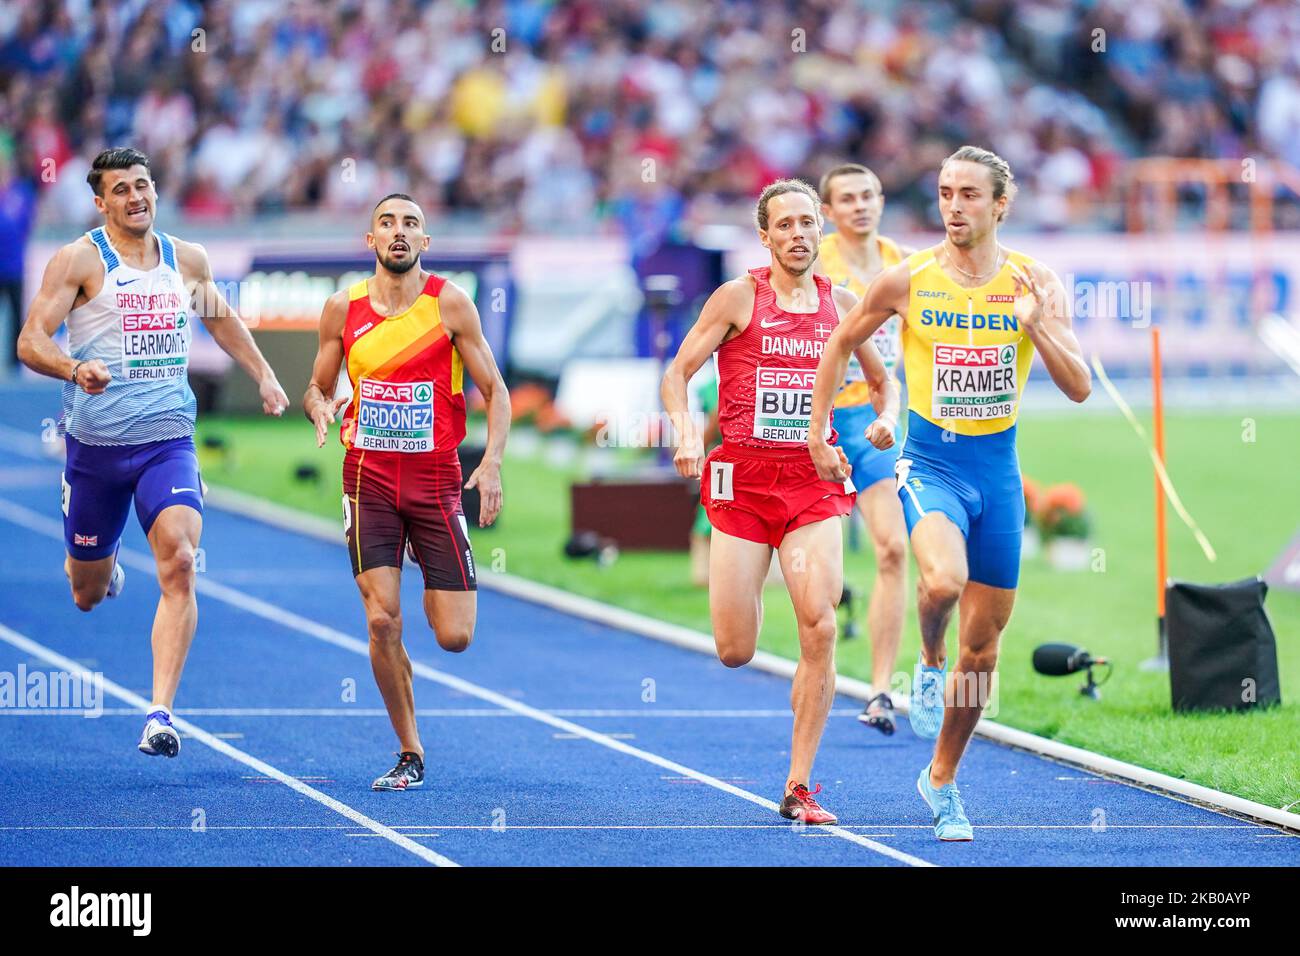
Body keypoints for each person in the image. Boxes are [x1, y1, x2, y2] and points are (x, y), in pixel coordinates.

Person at [808, 146, 1091, 840]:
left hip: (997, 470)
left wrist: (1035, 326)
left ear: (1001, 204)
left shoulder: (1035, 279)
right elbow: (840, 342)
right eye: (944, 193)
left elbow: (1079, 384)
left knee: (986, 650)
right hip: (931, 462)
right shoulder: (909, 281)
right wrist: (824, 429)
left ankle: (942, 779)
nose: (954, 207)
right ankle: (926, 661)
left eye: (969, 194)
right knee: (941, 581)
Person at [16, 146, 290, 757]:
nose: (135, 197)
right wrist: (73, 365)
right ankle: (100, 561)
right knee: (85, 594)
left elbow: (220, 320)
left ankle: (160, 714)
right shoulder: (80, 260)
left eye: (143, 185)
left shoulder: (185, 258)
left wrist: (266, 375)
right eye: (121, 189)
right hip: (96, 449)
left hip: (168, 441)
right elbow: (29, 341)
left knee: (181, 562)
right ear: (100, 201)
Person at [661, 179, 899, 825]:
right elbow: (677, 372)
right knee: (735, 649)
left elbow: (885, 384)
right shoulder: (738, 297)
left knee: (819, 625)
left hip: (813, 482)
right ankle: (758, 579)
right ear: (764, 236)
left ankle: (799, 784)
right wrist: (686, 431)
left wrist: (886, 420)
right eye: (785, 224)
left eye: (807, 222)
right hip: (741, 483)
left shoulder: (844, 303)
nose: (798, 234)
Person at [303, 193, 510, 792]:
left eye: (411, 224)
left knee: (454, 635)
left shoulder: (449, 303)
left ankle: (427, 558)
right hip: (367, 479)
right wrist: (321, 406)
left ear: (425, 241)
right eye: (387, 224)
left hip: (435, 480)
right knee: (382, 621)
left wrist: (491, 464)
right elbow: (316, 387)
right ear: (370, 241)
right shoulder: (342, 309)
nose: (399, 232)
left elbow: (495, 391)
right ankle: (409, 750)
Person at [815, 163, 916, 735]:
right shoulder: (812, 259)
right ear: (829, 211)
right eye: (847, 198)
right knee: (821, 571)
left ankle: (880, 691)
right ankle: (819, 670)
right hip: (821, 421)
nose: (860, 205)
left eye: (869, 195)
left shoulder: (901, 262)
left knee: (893, 550)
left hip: (877, 418)